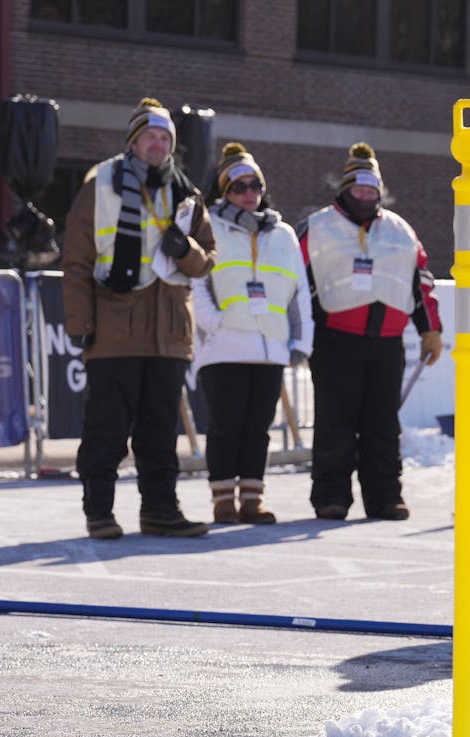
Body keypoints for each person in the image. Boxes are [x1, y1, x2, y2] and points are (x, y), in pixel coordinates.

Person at [63, 97, 216, 539]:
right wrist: (81, 325)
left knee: (159, 431)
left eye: (165, 137)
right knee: (106, 428)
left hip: (168, 332)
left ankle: (160, 512)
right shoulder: (100, 184)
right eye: (150, 136)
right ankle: (99, 513)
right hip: (114, 329)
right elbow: (76, 261)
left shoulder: (187, 192)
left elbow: (207, 261)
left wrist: (184, 251)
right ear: (133, 142)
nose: (158, 143)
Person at [299, 143, 443, 521]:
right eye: (359, 189)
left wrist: (430, 331)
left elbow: (420, 284)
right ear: (345, 190)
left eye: (371, 190)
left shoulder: (401, 230)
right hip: (334, 340)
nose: (365, 195)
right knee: (335, 424)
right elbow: (294, 282)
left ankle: (386, 498)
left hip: (386, 344)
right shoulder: (317, 226)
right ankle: (330, 497)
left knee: (382, 425)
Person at [192, 143, 313, 524]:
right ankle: (223, 499)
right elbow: (195, 283)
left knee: (258, 428)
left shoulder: (284, 234)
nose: (248, 194)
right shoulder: (207, 224)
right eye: (238, 187)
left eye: (254, 186)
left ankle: (252, 498)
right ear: (223, 191)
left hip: (270, 346)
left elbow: (299, 292)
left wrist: (301, 339)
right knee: (225, 426)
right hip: (223, 346)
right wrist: (213, 324)